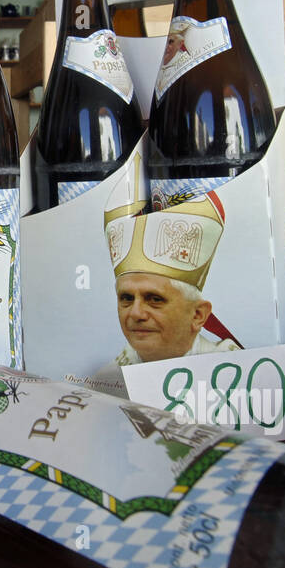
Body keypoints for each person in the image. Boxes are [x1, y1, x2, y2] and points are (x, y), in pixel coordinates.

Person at [90, 156, 239, 394]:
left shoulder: (235, 374)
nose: (135, 313)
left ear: (198, 315)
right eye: (126, 298)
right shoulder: (106, 384)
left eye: (154, 299)